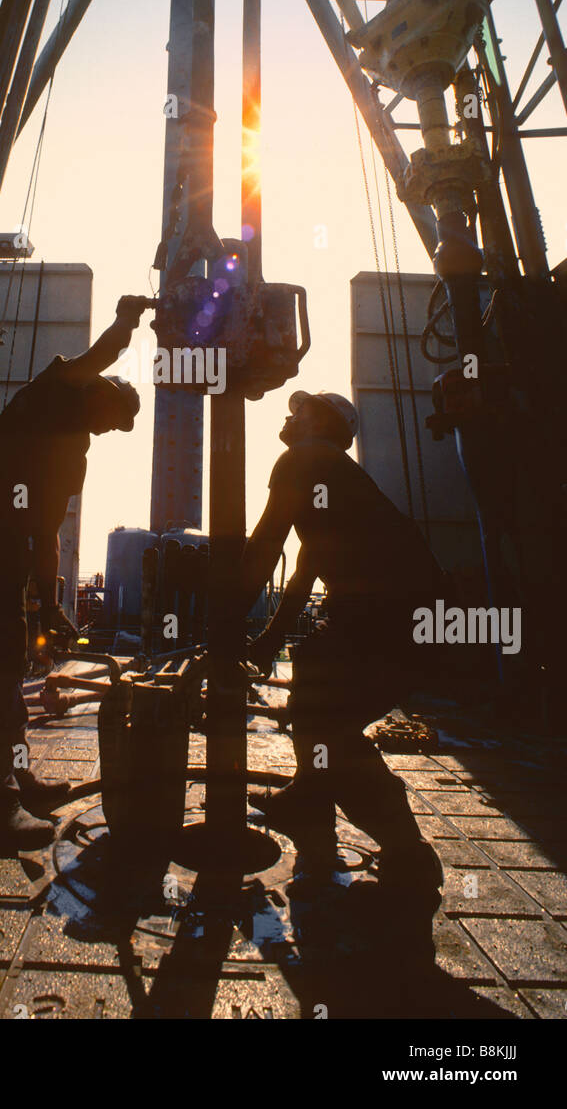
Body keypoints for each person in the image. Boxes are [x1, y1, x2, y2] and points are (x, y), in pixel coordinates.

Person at [0, 295, 149, 852]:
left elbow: (48, 531)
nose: (108, 431)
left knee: (9, 657)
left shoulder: (73, 450)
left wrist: (52, 602)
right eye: (112, 420)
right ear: (99, 395)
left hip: (5, 544)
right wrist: (128, 320)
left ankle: (15, 776)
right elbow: (100, 354)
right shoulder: (51, 394)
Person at [239, 389, 446, 917]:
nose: (290, 415)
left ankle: (409, 856)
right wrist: (267, 641)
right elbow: (300, 577)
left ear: (326, 425)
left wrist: (223, 618)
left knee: (324, 720)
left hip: (393, 616)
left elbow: (265, 544)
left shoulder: (306, 458)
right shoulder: (330, 482)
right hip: (412, 617)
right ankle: (310, 799)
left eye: (301, 410)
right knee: (313, 673)